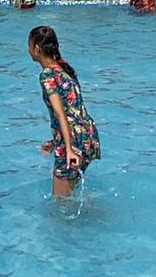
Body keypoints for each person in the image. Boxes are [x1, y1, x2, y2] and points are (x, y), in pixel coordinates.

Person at [28, 26, 100, 198]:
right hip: (88, 136)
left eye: (29, 45)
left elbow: (61, 113)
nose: (28, 50)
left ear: (37, 48)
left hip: (73, 142)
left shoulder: (47, 75)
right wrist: (55, 142)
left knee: (60, 201)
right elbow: (73, 111)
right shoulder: (64, 69)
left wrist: (68, 149)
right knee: (69, 195)